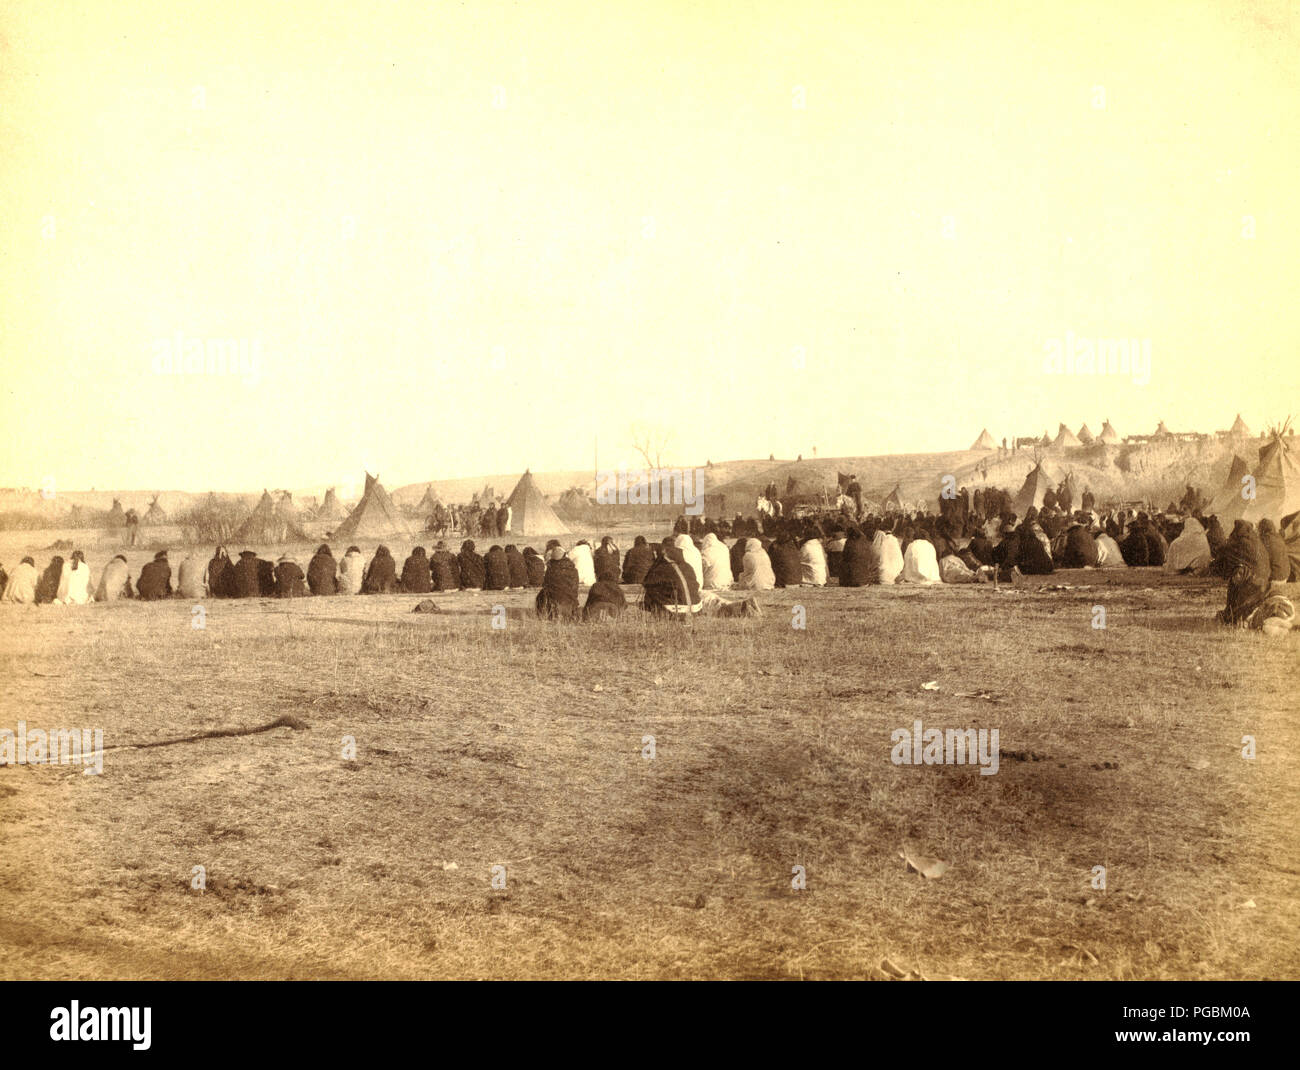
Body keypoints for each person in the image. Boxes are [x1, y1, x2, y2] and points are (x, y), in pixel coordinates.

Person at [1217, 520, 1272, 626]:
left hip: (1251, 585)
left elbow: (1224, 556)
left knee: (1235, 580)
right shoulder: (1257, 541)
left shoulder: (1240, 543)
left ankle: (1231, 613)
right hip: (1263, 586)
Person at [536, 547, 580, 619]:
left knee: (541, 594)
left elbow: (545, 584)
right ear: (564, 555)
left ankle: (545, 614)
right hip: (569, 604)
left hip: (554, 607)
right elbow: (575, 588)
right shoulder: (572, 569)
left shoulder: (551, 569)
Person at [1257, 519, 1290, 584]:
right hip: (1285, 576)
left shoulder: (1264, 540)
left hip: (1276, 579)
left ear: (1262, 529)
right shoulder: (1278, 537)